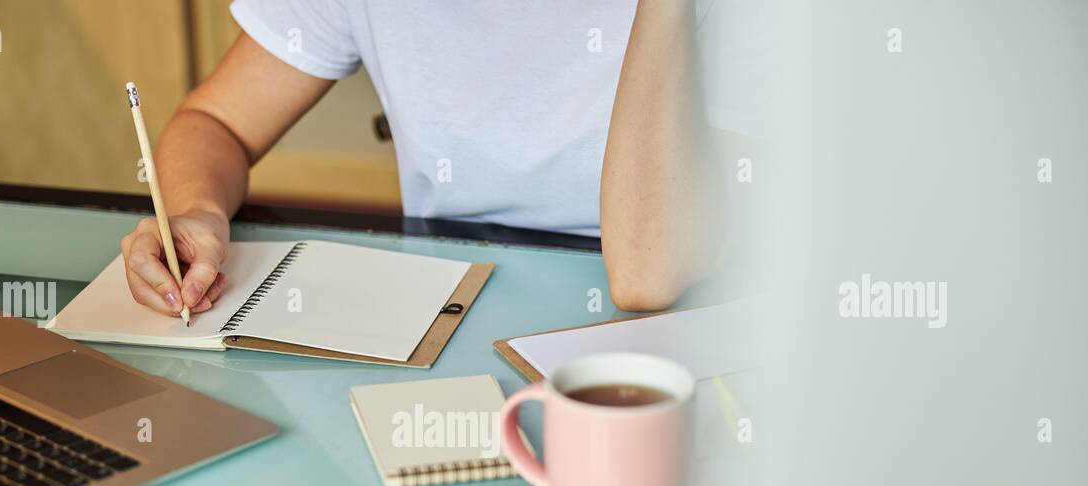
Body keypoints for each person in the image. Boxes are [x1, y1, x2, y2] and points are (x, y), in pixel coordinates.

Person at [120, 0, 759, 318]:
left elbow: (647, 275)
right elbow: (216, 122)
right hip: (453, 315)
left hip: (691, 322)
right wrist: (199, 210)